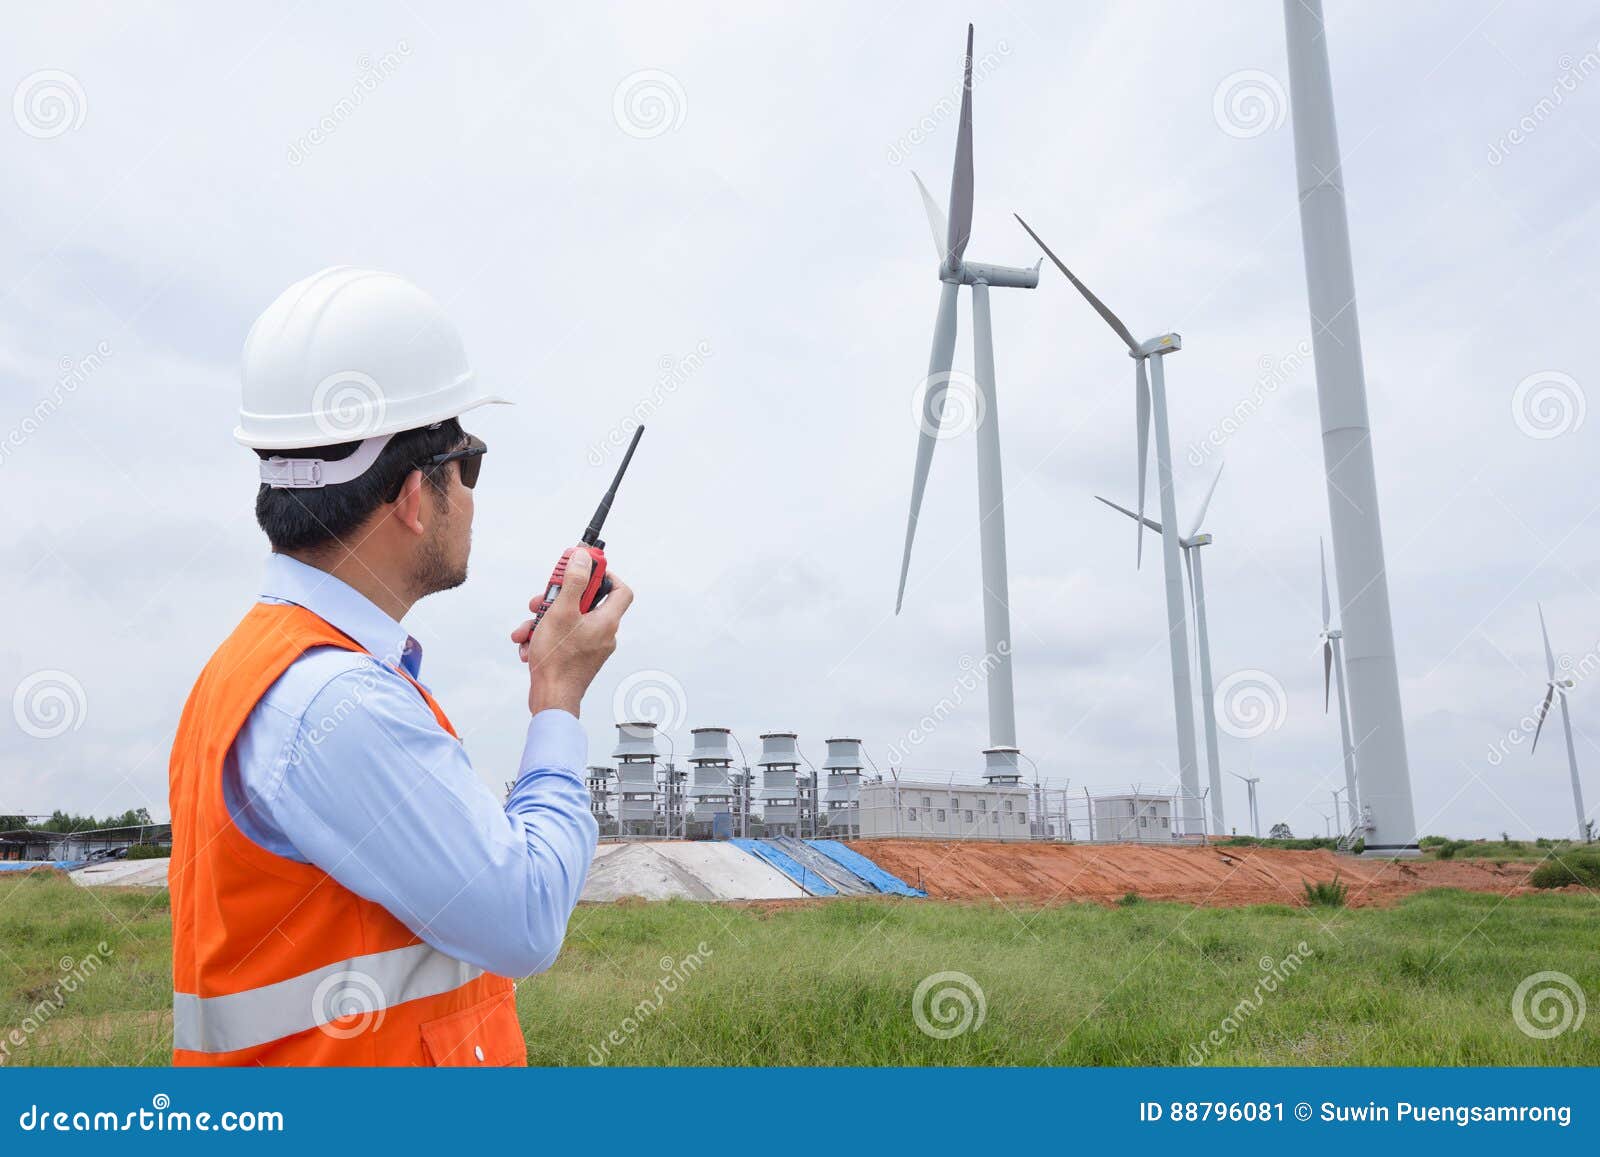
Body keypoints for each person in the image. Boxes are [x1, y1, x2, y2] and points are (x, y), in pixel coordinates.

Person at [167, 267, 628, 1065]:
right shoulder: (336, 702)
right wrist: (558, 697)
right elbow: (523, 916)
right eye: (470, 463)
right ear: (417, 495)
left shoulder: (256, 669)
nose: (475, 495)